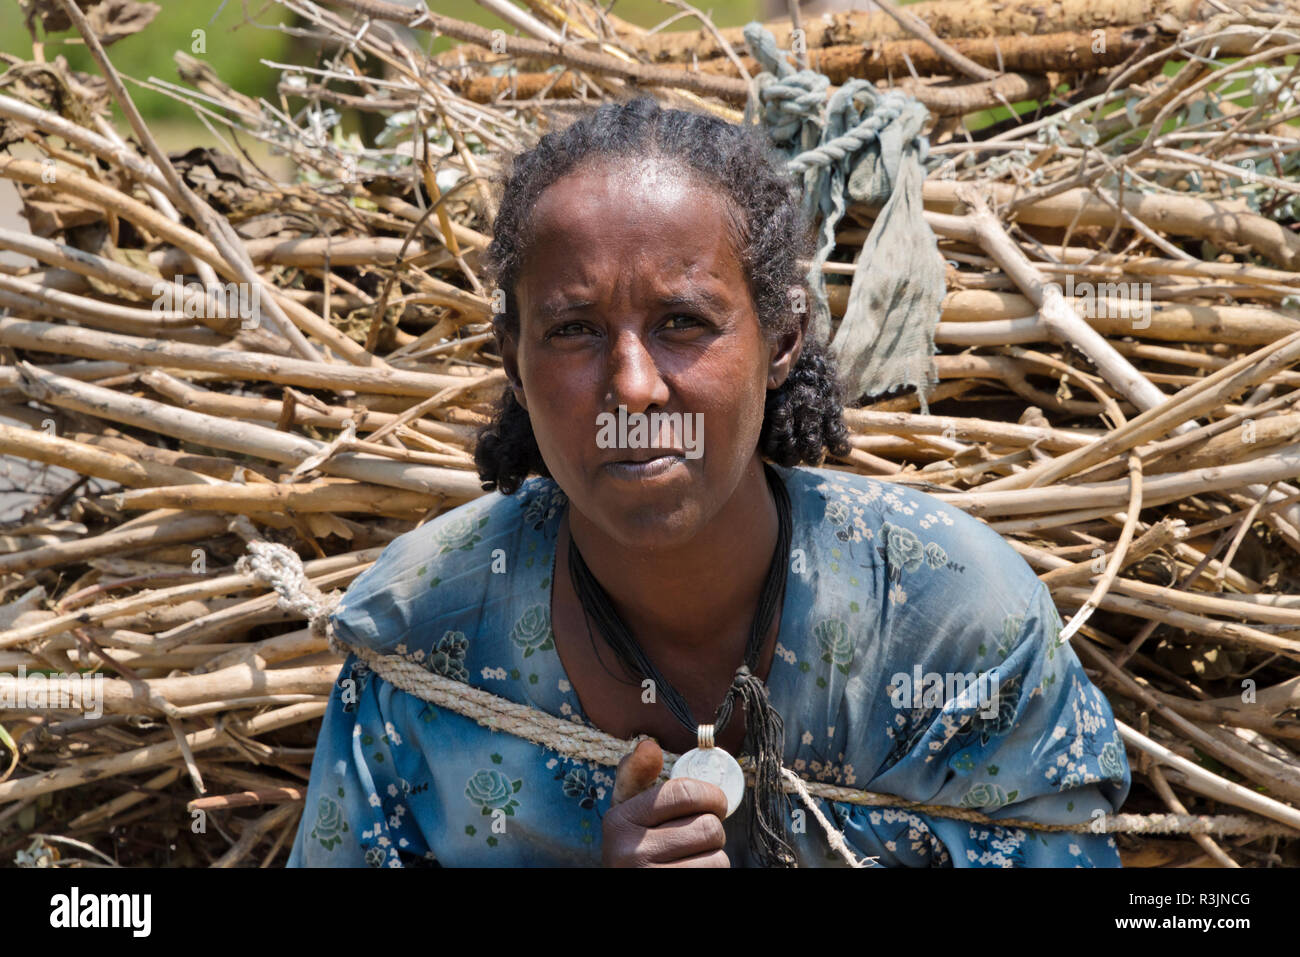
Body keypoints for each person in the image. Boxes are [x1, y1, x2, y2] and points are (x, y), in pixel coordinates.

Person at [287, 96, 1130, 868]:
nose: (633, 385)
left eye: (683, 322)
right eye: (574, 329)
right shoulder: (423, 643)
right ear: (514, 362)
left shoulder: (952, 624)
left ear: (783, 337)